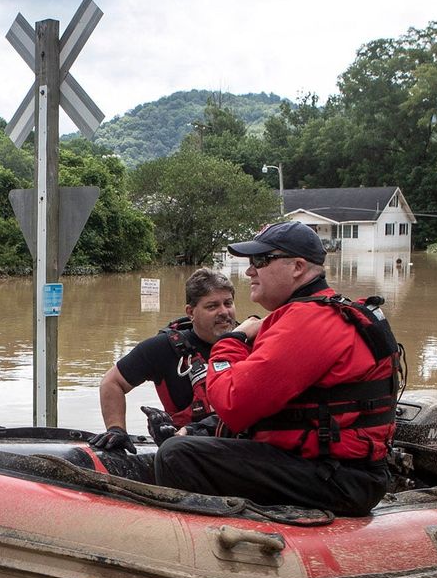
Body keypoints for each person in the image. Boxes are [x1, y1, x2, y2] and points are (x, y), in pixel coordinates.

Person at [154, 221, 400, 516]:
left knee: (177, 456)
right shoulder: (317, 313)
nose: (249, 271)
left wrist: (231, 341)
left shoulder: (308, 323)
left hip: (340, 479)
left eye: (261, 260)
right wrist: (198, 428)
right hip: (337, 470)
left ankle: (209, 550)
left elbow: (232, 402)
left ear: (297, 267)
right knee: (192, 440)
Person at [89, 268, 237, 452]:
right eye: (212, 306)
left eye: (228, 303)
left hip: (244, 448)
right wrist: (116, 428)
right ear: (190, 312)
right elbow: (112, 382)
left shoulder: (255, 340)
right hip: (188, 452)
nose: (224, 312)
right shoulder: (163, 348)